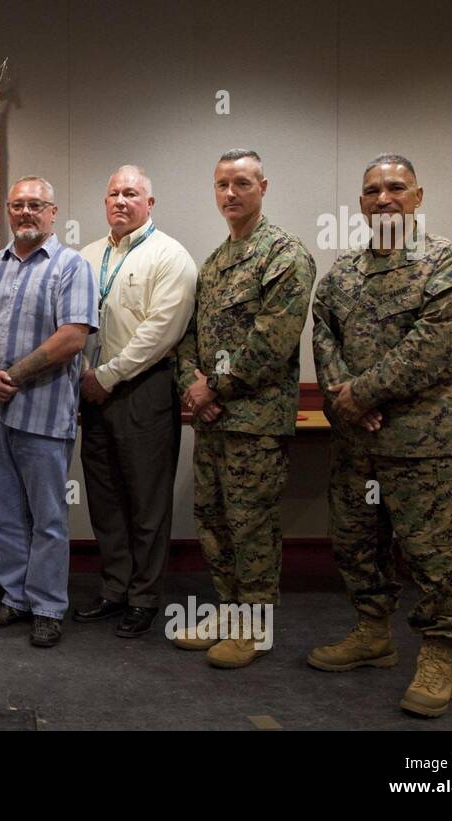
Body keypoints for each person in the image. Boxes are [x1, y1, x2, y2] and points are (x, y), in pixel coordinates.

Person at [309, 153, 452, 718]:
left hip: (422, 443)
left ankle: (438, 653)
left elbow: (429, 349)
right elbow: (323, 337)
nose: (384, 198)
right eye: (373, 190)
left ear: (418, 197)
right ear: (361, 202)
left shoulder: (448, 264)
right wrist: (344, 398)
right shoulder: (343, 274)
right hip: (357, 443)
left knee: (433, 553)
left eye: (396, 188)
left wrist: (361, 394)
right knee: (356, 543)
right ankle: (372, 633)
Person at [174, 150, 316, 668]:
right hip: (213, 419)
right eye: (221, 184)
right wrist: (193, 387)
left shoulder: (285, 255)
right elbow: (188, 338)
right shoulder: (214, 262)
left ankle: (254, 627)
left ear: (263, 187)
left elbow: (271, 342)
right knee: (212, 519)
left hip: (255, 422)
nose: (230, 193)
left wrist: (213, 389)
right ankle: (229, 612)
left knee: (251, 524)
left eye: (241, 183)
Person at [0, 176, 96, 648]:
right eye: (17, 205)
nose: (25, 212)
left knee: (48, 517)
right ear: (8, 212)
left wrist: (11, 377)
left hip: (43, 412)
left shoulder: (71, 266)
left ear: (53, 212)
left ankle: (47, 607)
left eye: (36, 205)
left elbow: (73, 336)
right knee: (4, 514)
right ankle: (15, 598)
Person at [74, 165, 197, 637]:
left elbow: (160, 333)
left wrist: (106, 376)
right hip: (92, 392)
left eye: (131, 193)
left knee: (146, 501)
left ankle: (144, 597)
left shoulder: (171, 256)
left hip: (143, 390)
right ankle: (114, 589)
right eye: (113, 194)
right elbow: (74, 323)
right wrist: (84, 377)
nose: (121, 201)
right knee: (105, 498)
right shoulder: (87, 256)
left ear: (150, 203)